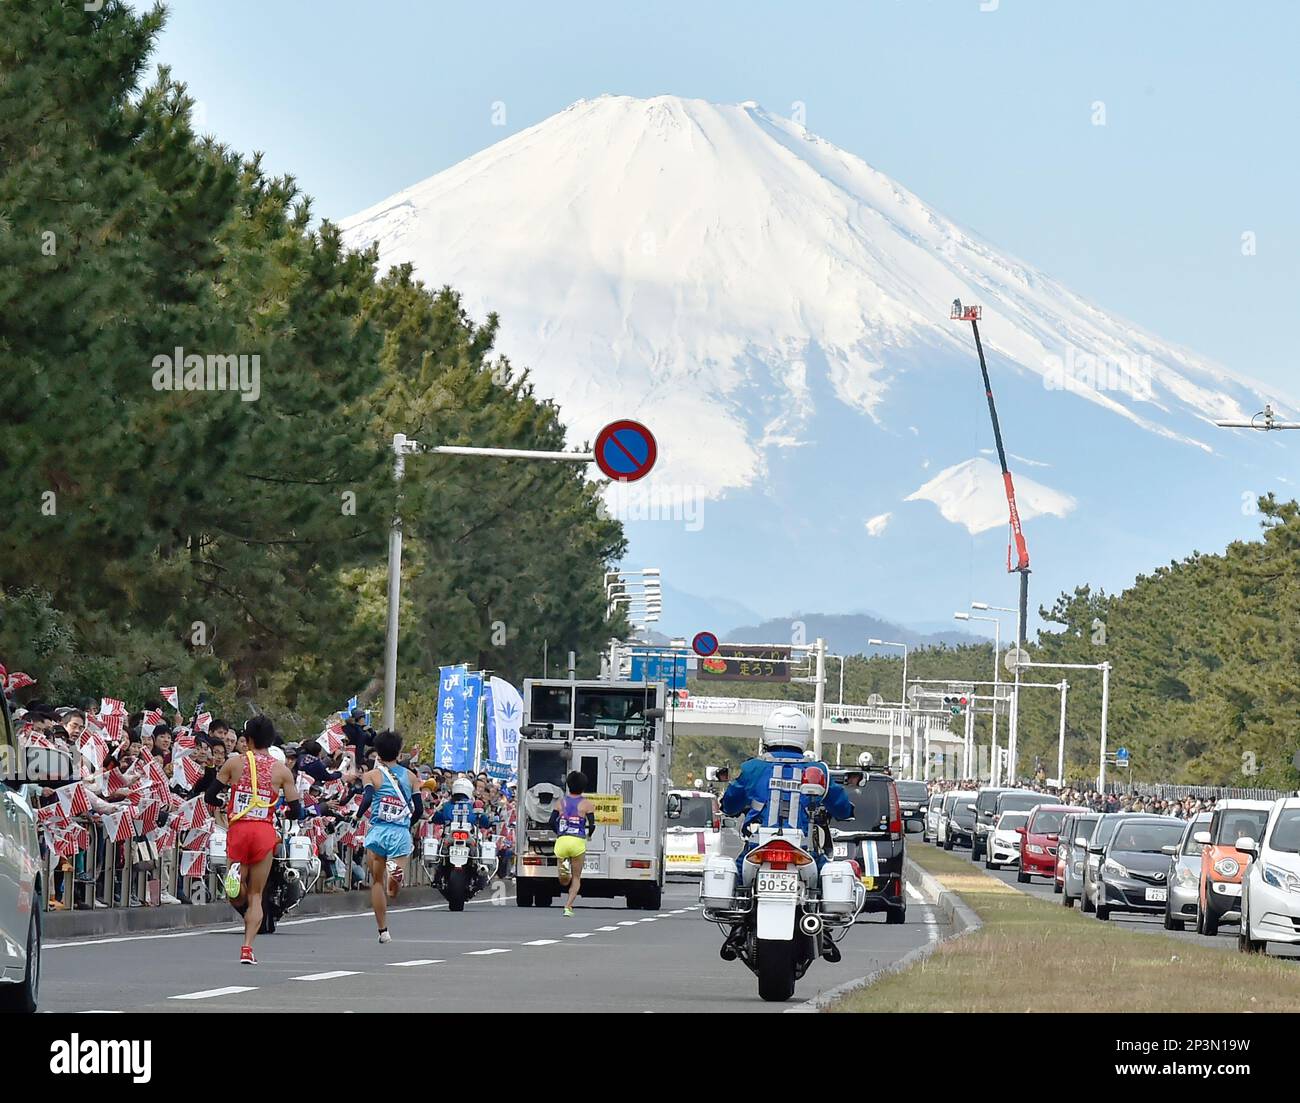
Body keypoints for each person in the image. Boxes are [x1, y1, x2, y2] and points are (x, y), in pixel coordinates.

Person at [205, 715, 302, 965]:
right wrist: (283, 810)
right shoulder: (281, 770)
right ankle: (247, 948)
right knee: (257, 895)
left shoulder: (233, 763)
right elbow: (296, 809)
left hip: (238, 829)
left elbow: (210, 795)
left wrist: (221, 803)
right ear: (270, 741)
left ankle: (235, 883)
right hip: (263, 831)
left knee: (234, 893)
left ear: (246, 739)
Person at [720, 705, 854, 871]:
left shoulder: (752, 768)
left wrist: (728, 807)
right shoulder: (818, 770)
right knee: (828, 881)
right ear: (804, 734)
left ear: (768, 732)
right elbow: (841, 806)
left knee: (735, 880)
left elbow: (731, 803)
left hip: (758, 845)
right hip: (804, 849)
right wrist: (847, 812)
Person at [354, 729, 423, 943]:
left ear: (377, 752)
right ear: (399, 752)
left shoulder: (371, 776)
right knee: (393, 887)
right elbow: (419, 809)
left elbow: (366, 800)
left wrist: (357, 817)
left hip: (377, 832)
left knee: (376, 882)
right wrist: (405, 824)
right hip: (399, 832)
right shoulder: (411, 777)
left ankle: (383, 930)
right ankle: (395, 879)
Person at [548, 771, 594, 917]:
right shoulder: (587, 804)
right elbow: (592, 825)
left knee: (563, 881)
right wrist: (589, 835)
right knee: (576, 878)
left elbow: (551, 821)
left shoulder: (560, 802)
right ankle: (568, 906)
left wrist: (559, 833)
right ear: (584, 787)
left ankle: (564, 871)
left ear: (568, 785)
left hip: (562, 840)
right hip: (577, 841)